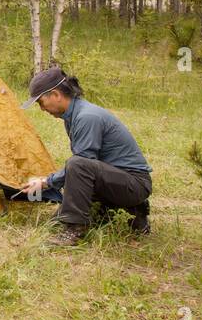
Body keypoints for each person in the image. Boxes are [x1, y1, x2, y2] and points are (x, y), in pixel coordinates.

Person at [20, 67, 152, 245]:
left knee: (78, 165)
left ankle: (74, 229)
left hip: (134, 184)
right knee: (55, 221)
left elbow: (82, 164)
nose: (42, 109)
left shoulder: (86, 116)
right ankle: (134, 212)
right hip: (117, 179)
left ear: (56, 94)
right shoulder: (72, 116)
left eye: (41, 102)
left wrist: (46, 182)